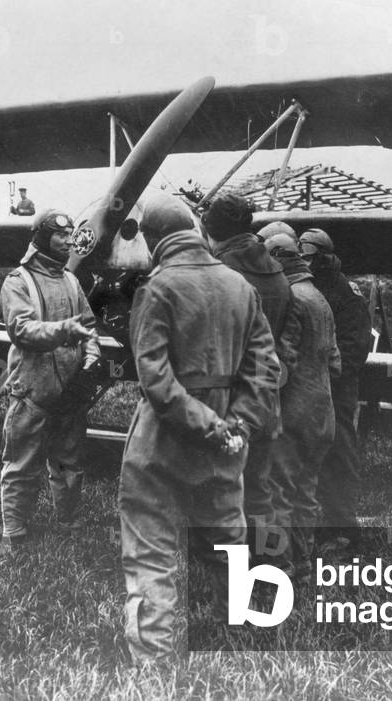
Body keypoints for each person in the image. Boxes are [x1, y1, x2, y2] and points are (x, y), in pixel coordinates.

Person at [119, 196, 279, 663]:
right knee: (228, 543)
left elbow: (156, 380)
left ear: (152, 239)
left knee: (151, 552)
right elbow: (266, 368)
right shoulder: (241, 287)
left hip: (164, 442)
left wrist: (208, 427)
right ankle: (239, 644)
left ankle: (153, 664)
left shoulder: (156, 289)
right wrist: (238, 426)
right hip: (231, 439)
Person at [0, 210, 101, 545]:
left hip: (70, 390)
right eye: (60, 234)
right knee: (21, 462)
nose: (69, 239)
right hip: (32, 387)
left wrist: (93, 353)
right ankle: (15, 531)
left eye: (71, 233)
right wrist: (64, 329)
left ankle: (69, 524)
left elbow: (88, 324)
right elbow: (21, 329)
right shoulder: (17, 281)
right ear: (41, 237)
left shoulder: (71, 280)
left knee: (69, 462)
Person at [201, 194, 296, 537]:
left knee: (222, 493)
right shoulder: (278, 274)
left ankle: (229, 572)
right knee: (260, 491)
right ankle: (273, 567)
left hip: (230, 404)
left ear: (211, 229)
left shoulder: (221, 275)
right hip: (267, 401)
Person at [263, 232, 341, 576]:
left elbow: (283, 364)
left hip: (294, 411)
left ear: (280, 257)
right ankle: (304, 560)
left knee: (279, 488)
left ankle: (278, 564)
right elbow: (335, 362)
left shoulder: (293, 297)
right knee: (306, 490)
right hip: (323, 411)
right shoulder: (320, 298)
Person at [298, 228, 372, 552]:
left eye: (311, 258)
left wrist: (331, 373)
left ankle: (343, 528)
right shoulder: (310, 288)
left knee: (340, 453)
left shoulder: (347, 294)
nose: (306, 264)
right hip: (315, 383)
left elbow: (357, 347)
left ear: (325, 258)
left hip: (338, 387)